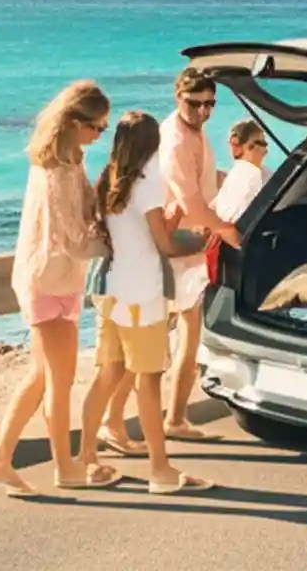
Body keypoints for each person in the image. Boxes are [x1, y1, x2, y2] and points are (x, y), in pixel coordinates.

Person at [0, 80, 116, 496]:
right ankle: (65, 467)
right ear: (75, 122)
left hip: (54, 278)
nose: (99, 135)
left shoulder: (71, 158)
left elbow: (87, 209)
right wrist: (112, 246)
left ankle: (0, 460)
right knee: (60, 380)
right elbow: (70, 239)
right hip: (48, 279)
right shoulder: (56, 168)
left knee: (40, 377)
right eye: (97, 127)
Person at [78, 111, 214, 494]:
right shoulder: (147, 186)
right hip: (144, 297)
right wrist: (201, 240)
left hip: (115, 294)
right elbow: (164, 244)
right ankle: (161, 472)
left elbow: (129, 236)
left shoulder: (107, 182)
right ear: (152, 146)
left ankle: (87, 460)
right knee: (149, 384)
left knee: (107, 376)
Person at [158, 68, 239, 440]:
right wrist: (226, 229)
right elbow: (189, 197)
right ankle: (120, 423)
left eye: (210, 105)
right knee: (154, 342)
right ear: (178, 97)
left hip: (190, 247)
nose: (204, 112)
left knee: (189, 337)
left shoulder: (195, 132)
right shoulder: (175, 139)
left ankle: (175, 418)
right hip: (171, 248)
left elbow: (205, 179)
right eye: (196, 104)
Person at [212, 119, 272, 223]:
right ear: (239, 146)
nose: (266, 151)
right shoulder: (251, 174)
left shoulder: (242, 174)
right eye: (260, 144)